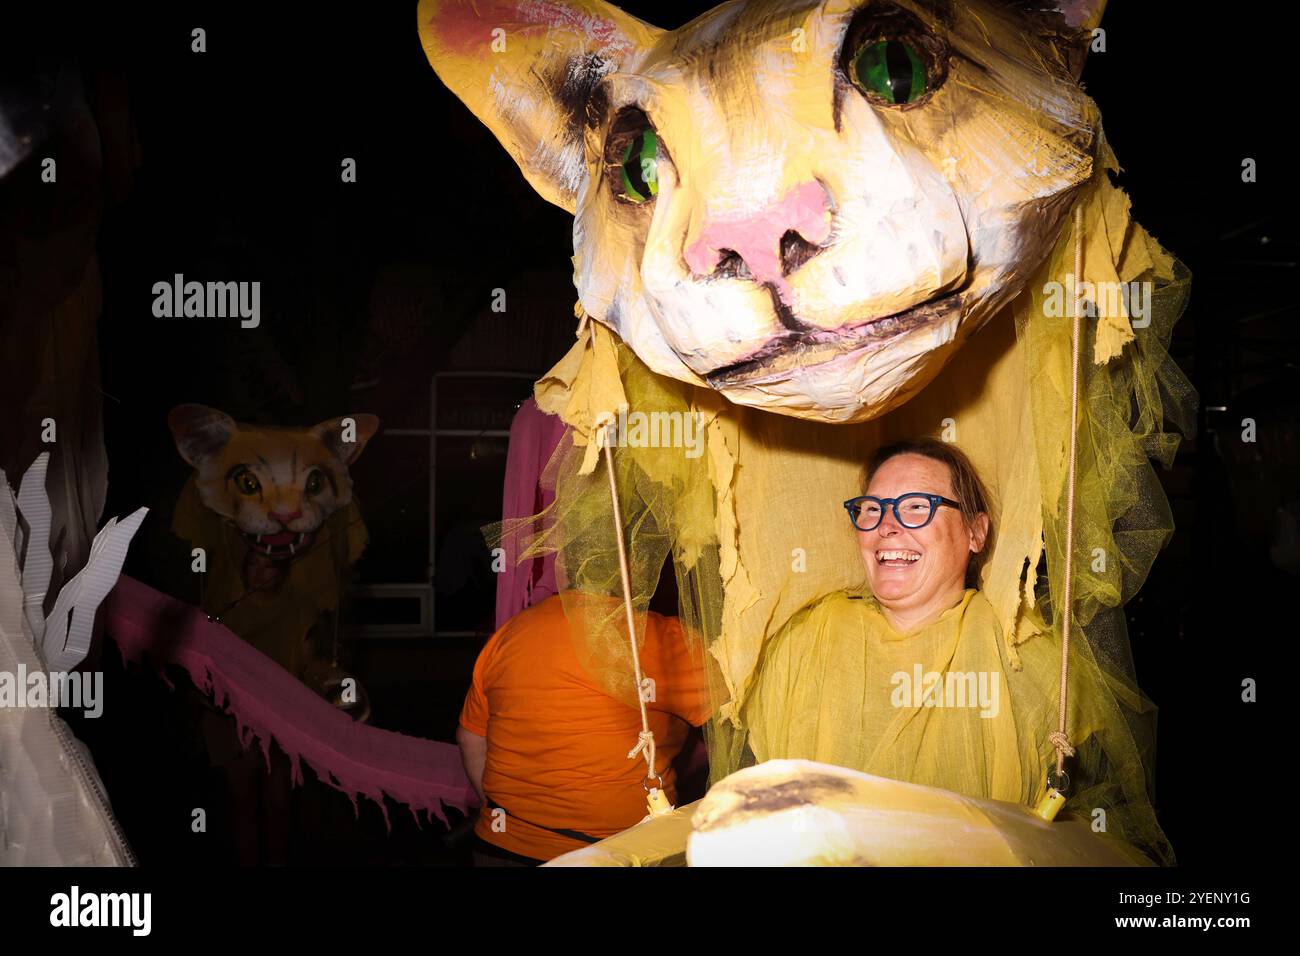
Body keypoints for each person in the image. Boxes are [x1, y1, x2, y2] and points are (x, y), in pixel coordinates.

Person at [742, 437, 1171, 861]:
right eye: (871, 509)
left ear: (975, 532)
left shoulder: (1029, 657)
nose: (886, 526)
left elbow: (1089, 817)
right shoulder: (804, 643)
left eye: (916, 507)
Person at [457, 589, 709, 865]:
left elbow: (471, 739)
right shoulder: (659, 637)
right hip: (614, 855)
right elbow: (739, 715)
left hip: (500, 846)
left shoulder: (512, 631)